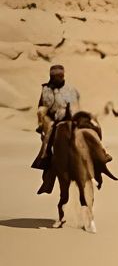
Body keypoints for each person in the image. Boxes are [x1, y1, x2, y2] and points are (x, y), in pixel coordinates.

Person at [33, 63, 80, 194]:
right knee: (50, 134)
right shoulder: (45, 90)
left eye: (61, 75)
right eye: (57, 76)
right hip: (51, 119)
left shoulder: (69, 89)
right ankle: (45, 157)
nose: (60, 78)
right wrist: (42, 119)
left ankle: (99, 156)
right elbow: (41, 107)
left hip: (67, 117)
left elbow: (74, 105)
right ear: (51, 76)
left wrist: (71, 115)